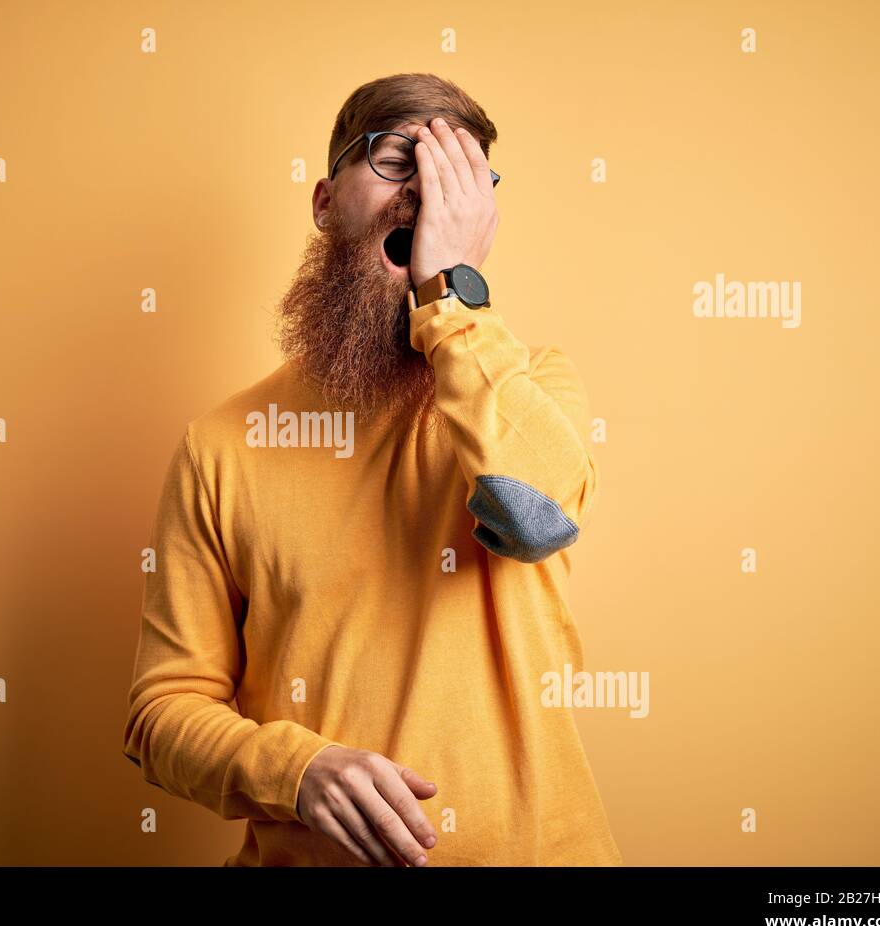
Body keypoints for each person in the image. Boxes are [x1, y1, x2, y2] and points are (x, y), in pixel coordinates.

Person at [122, 72, 623, 866]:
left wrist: (451, 298)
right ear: (324, 204)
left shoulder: (533, 387)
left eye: (457, 179)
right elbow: (162, 712)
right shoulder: (221, 446)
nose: (424, 195)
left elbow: (534, 521)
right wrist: (297, 770)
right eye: (399, 160)